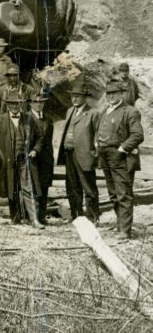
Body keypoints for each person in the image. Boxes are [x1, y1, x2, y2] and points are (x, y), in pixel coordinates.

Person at [96, 81, 144, 239]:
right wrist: (97, 142)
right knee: (113, 193)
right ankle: (120, 224)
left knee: (123, 193)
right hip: (105, 156)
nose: (111, 96)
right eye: (108, 93)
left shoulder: (130, 111)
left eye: (114, 93)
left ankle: (125, 230)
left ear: (122, 94)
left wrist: (122, 149)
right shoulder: (105, 110)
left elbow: (137, 135)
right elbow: (98, 130)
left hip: (121, 157)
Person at [0, 97, 44, 228]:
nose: (14, 106)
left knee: (28, 188)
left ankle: (34, 219)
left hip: (25, 160)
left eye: (17, 103)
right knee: (12, 189)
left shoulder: (29, 119)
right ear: (7, 105)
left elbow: (40, 137)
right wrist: (0, 157)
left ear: (21, 104)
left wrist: (35, 149)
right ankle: (15, 217)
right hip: (8, 162)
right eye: (11, 103)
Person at [56, 81, 100, 224]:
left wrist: (95, 154)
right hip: (69, 153)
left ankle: (92, 217)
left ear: (85, 98)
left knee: (88, 187)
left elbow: (98, 135)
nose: (74, 99)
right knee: (72, 185)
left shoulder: (93, 113)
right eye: (73, 96)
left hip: (84, 155)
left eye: (78, 96)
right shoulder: (70, 111)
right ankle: (77, 216)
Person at [27, 93, 54, 225]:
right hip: (32, 158)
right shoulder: (26, 118)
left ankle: (42, 216)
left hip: (46, 159)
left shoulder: (48, 119)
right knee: (33, 187)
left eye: (41, 102)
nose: (39, 105)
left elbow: (48, 140)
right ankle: (33, 217)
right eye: (36, 102)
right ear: (31, 103)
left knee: (44, 188)